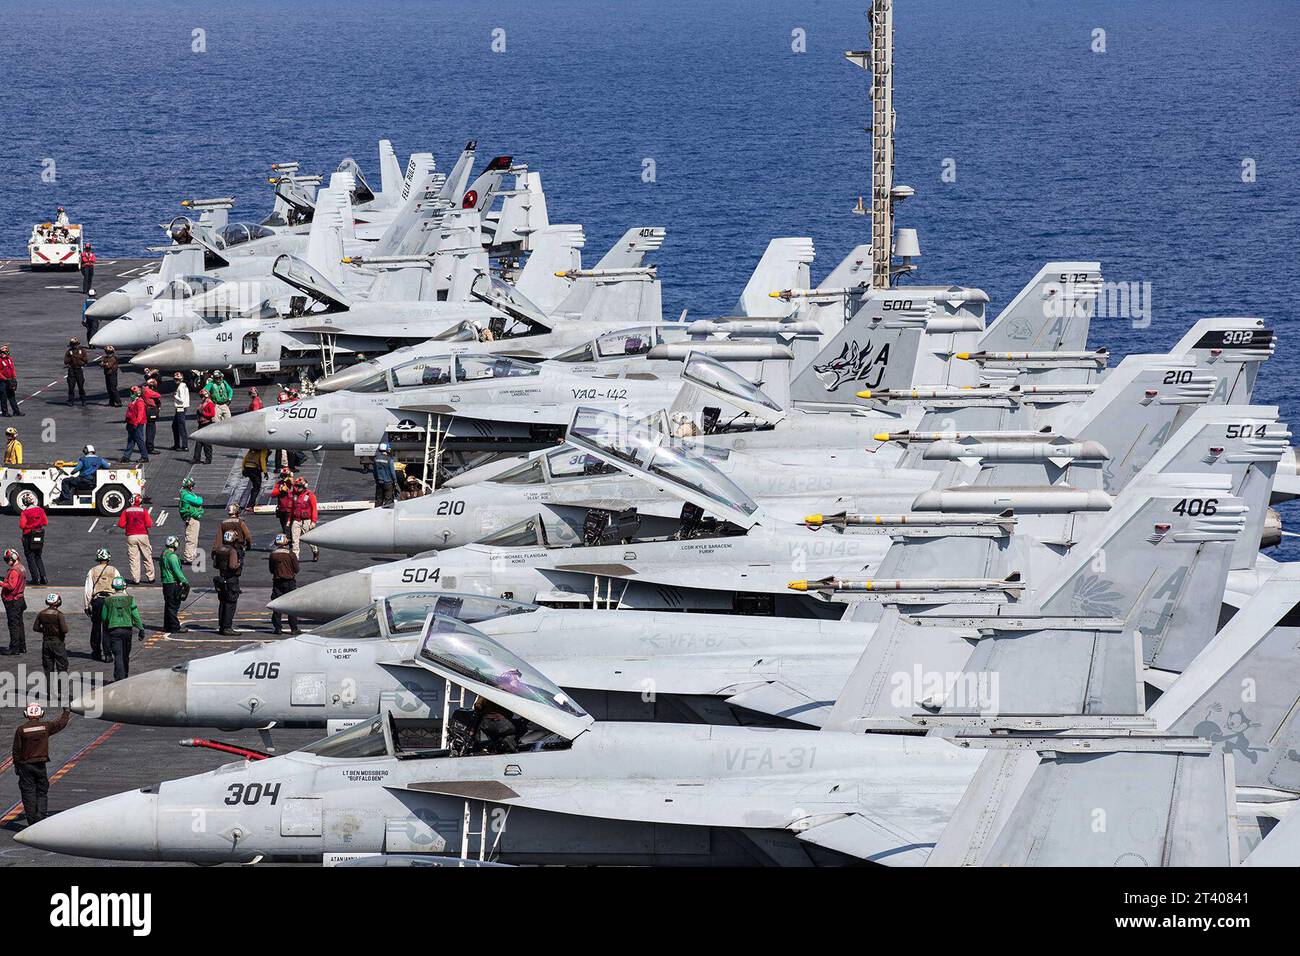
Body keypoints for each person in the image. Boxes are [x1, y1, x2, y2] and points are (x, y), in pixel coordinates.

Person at [12, 703, 72, 826]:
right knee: (42, 792)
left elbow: (16, 750)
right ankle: (40, 818)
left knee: (28, 793)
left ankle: (32, 821)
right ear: (41, 714)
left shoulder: (21, 729)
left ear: (26, 714)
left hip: (25, 766)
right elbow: (60, 724)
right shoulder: (46, 727)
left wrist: (17, 766)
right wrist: (66, 712)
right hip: (40, 765)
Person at [101, 576, 144, 681]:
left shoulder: (108, 600)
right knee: (125, 655)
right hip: (127, 630)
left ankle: (119, 678)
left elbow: (104, 617)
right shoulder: (130, 599)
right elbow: (136, 615)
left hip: (114, 631)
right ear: (124, 586)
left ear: (113, 587)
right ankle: (125, 676)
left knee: (118, 655)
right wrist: (141, 628)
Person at [83, 548, 118, 662]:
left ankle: (96, 652)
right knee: (108, 628)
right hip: (110, 601)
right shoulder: (114, 570)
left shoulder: (92, 571)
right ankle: (108, 654)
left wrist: (87, 606)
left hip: (97, 601)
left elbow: (88, 591)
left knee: (96, 627)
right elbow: (121, 586)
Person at [33, 593, 69, 692]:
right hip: (57, 642)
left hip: (46, 643)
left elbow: (35, 628)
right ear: (58, 602)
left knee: (48, 668)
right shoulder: (59, 615)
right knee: (62, 667)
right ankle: (61, 691)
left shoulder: (41, 613)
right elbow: (64, 630)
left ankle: (50, 692)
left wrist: (44, 631)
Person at [117, 493, 155, 584]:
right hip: (143, 535)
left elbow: (121, 524)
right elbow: (149, 524)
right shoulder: (144, 511)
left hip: (131, 536)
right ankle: (151, 577)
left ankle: (136, 579)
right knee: (147, 557)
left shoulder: (126, 511)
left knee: (134, 559)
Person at [268, 533, 301, 634]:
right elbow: (296, 569)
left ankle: (277, 628)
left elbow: (271, 570)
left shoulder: (273, 554)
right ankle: (293, 628)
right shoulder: (290, 554)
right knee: (291, 606)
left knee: (277, 605)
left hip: (277, 582)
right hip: (289, 582)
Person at [212, 530, 242, 636]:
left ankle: (222, 626)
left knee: (223, 603)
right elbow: (232, 566)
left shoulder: (219, 549)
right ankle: (227, 627)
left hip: (221, 578)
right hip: (231, 580)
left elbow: (215, 565)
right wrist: (238, 563)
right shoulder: (232, 551)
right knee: (230, 604)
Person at [160, 535, 188, 632]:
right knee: (173, 606)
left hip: (165, 583)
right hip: (172, 583)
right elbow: (177, 571)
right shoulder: (172, 557)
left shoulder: (164, 554)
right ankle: (175, 627)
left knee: (168, 605)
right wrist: (184, 582)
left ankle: (167, 625)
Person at [2, 549, 27, 655]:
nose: (7, 562)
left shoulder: (14, 571)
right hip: (20, 599)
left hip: (13, 601)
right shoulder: (21, 567)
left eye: (8, 559)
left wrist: (1, 584)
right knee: (19, 624)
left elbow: (11, 586)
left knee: (13, 625)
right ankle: (22, 646)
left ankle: (14, 648)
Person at [19, 498, 48, 586]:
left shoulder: (25, 512)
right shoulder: (40, 510)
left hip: (29, 536)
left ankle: (36, 579)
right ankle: (43, 577)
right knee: (38, 556)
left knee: (30, 557)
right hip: (39, 535)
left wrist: (30, 525)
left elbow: (22, 525)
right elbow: (45, 522)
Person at [290, 477, 319, 560]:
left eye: (299, 486)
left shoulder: (310, 495)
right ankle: (296, 557)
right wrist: (290, 520)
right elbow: (292, 508)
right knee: (295, 540)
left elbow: (314, 509)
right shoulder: (294, 495)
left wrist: (313, 521)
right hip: (296, 520)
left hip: (307, 521)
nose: (297, 488)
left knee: (310, 539)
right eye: (296, 486)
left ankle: (315, 550)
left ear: (305, 486)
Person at [178, 476, 203, 563]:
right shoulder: (187, 496)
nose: (192, 488)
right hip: (191, 519)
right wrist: (199, 498)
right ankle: (189, 557)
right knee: (191, 539)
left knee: (194, 539)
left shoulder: (187, 494)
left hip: (193, 519)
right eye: (191, 486)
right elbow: (199, 502)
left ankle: (192, 556)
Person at [122, 386, 149, 462]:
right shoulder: (133, 401)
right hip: (131, 423)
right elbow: (129, 412)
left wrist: (136, 424)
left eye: (133, 392)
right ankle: (126, 456)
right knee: (131, 440)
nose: (131, 393)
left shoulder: (139, 402)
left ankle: (144, 457)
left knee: (139, 440)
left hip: (136, 424)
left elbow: (140, 415)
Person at [191, 391, 216, 464]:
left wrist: (203, 413)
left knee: (206, 443)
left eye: (202, 396)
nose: (201, 398)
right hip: (201, 423)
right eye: (200, 396)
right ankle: (196, 458)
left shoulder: (210, 403)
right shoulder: (202, 403)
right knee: (198, 442)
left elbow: (212, 414)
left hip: (207, 424)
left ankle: (208, 459)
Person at [372, 441, 398, 507]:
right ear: (387, 449)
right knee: (388, 500)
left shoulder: (375, 459)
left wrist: (376, 480)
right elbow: (392, 472)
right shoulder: (389, 459)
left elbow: (374, 471)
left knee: (378, 500)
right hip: (388, 482)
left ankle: (376, 513)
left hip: (379, 482)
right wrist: (395, 481)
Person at [63, 337, 88, 405]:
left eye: (75, 344)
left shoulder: (82, 351)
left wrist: (78, 357)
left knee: (81, 386)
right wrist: (71, 358)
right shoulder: (69, 352)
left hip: (79, 370)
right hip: (71, 370)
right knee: (71, 387)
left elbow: (86, 360)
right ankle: (71, 401)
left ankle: (83, 400)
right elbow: (65, 361)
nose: (74, 346)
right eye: (73, 344)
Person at [142, 376, 162, 454]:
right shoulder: (148, 391)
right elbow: (158, 395)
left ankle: (149, 446)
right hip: (151, 410)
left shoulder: (144, 389)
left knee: (150, 428)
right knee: (151, 430)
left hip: (148, 410)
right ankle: (150, 448)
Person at [171, 372, 190, 449]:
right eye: (175, 379)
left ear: (181, 379)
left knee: (181, 427)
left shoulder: (181, 387)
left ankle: (184, 446)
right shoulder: (183, 385)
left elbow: (181, 399)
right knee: (175, 426)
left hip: (181, 408)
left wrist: (175, 396)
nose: (176, 381)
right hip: (180, 408)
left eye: (177, 379)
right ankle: (177, 444)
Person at [0, 345, 20, 417]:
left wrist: (14, 377)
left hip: (10, 380)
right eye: (1, 352)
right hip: (2, 381)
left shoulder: (9, 359)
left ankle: (16, 411)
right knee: (3, 397)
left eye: (4, 352)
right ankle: (4, 412)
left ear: (7, 352)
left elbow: (12, 369)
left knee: (12, 396)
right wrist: (5, 379)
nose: (2, 353)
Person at [273, 469, 295, 534]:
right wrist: (280, 489)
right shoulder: (279, 484)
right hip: (281, 509)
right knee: (284, 527)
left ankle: (290, 540)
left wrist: (293, 483)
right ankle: (287, 539)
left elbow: (298, 492)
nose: (284, 478)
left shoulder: (294, 483)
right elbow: (273, 494)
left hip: (290, 510)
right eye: (282, 476)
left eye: (285, 476)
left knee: (287, 527)